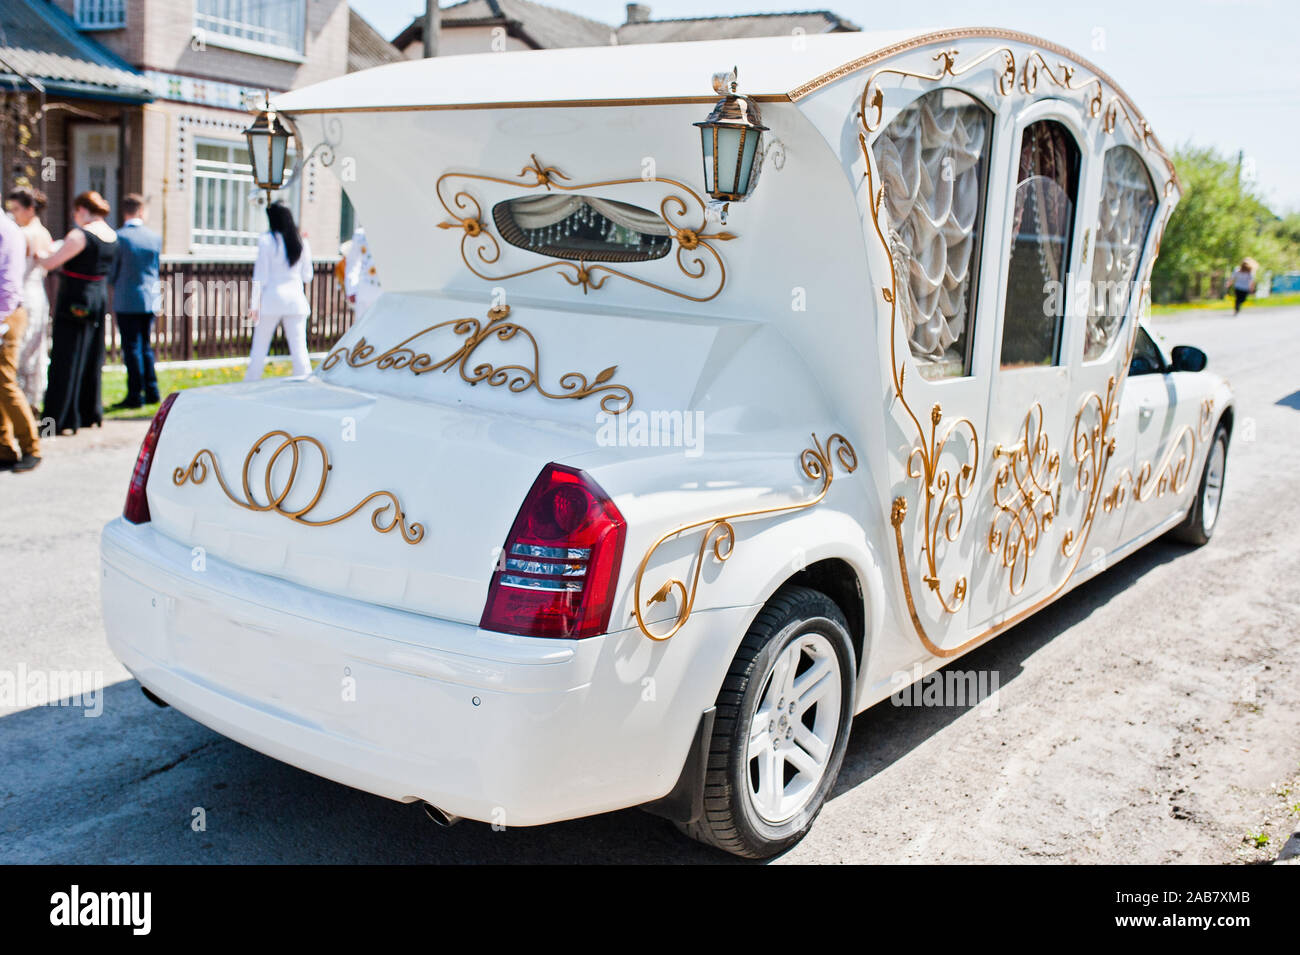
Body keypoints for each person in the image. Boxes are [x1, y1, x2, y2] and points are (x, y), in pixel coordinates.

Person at [38, 191, 117, 434]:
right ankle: (88, 411)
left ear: (82, 209)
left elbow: (51, 263)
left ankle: (60, 418)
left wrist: (37, 253)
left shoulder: (79, 234)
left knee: (66, 356)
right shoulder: (111, 234)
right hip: (97, 296)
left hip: (75, 298)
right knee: (92, 355)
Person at [246, 200, 312, 380]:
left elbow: (260, 276)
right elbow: (308, 275)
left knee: (259, 347)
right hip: (295, 300)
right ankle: (306, 383)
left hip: (271, 299)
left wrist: (253, 304)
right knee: (299, 349)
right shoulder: (301, 241)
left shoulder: (267, 240)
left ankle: (250, 383)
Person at [108, 194, 162, 408]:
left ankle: (134, 394)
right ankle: (151, 390)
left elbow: (113, 271)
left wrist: (114, 284)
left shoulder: (119, 237)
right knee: (145, 346)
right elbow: (155, 267)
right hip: (149, 297)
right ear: (140, 211)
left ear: (125, 212)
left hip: (127, 297)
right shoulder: (154, 237)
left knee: (131, 348)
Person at [0, 203, 42, 472]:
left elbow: (6, 282)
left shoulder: (4, 230)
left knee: (5, 381)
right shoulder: (9, 227)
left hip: (5, 314)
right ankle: (4, 447)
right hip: (7, 312)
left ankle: (31, 447)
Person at [6, 187, 53, 410]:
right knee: (36, 347)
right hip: (38, 293)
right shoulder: (43, 231)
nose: (13, 214)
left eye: (16, 209)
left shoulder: (24, 234)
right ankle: (33, 399)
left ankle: (22, 403)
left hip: (25, 293)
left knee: (23, 350)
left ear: (29, 209)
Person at [343, 224, 382, 319]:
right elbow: (352, 262)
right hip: (365, 291)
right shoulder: (361, 234)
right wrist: (351, 288)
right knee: (363, 328)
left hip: (386, 293)